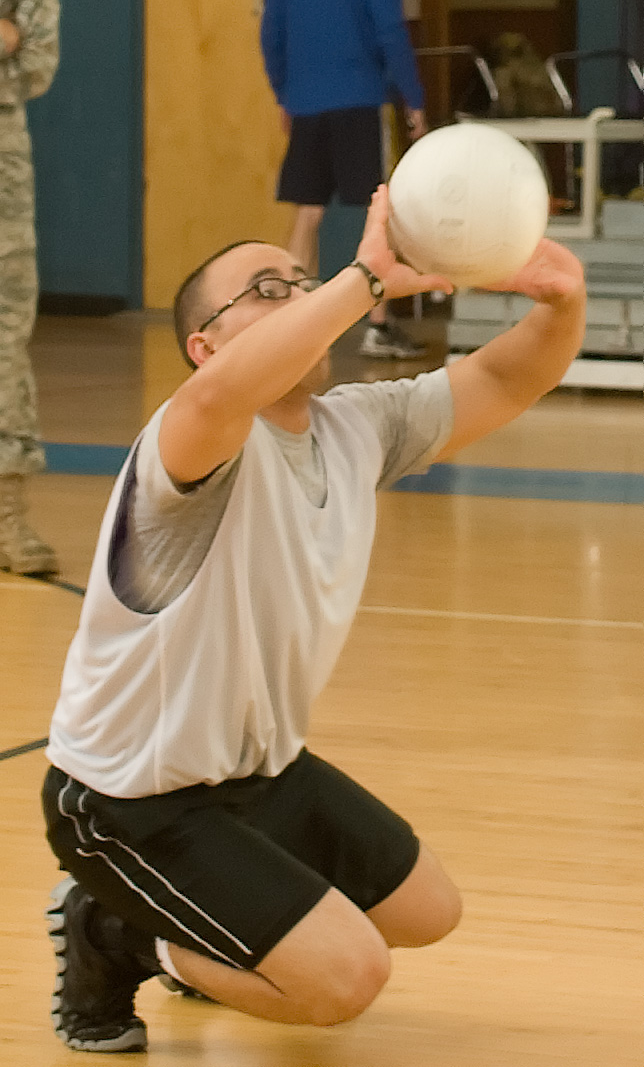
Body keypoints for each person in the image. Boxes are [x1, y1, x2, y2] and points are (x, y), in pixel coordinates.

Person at [42, 184, 586, 1053]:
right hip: (128, 802)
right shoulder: (189, 442)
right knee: (344, 981)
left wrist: (562, 302)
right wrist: (364, 278)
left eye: (300, 280)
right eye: (265, 289)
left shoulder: (355, 428)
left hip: (259, 776)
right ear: (204, 345)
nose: (297, 295)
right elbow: (220, 401)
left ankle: (200, 923)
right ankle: (117, 935)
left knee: (427, 912)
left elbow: (506, 374)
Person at [261, 0, 429, 360]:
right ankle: (378, 325)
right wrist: (413, 99)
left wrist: (285, 93)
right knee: (379, 210)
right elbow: (391, 31)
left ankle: (290, 318)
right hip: (361, 98)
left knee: (308, 210)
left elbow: (271, 34)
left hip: (307, 103)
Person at [0, 0, 60, 574]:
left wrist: (19, 39)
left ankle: (7, 522)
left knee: (5, 335)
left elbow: (38, 63)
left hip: (3, 165)